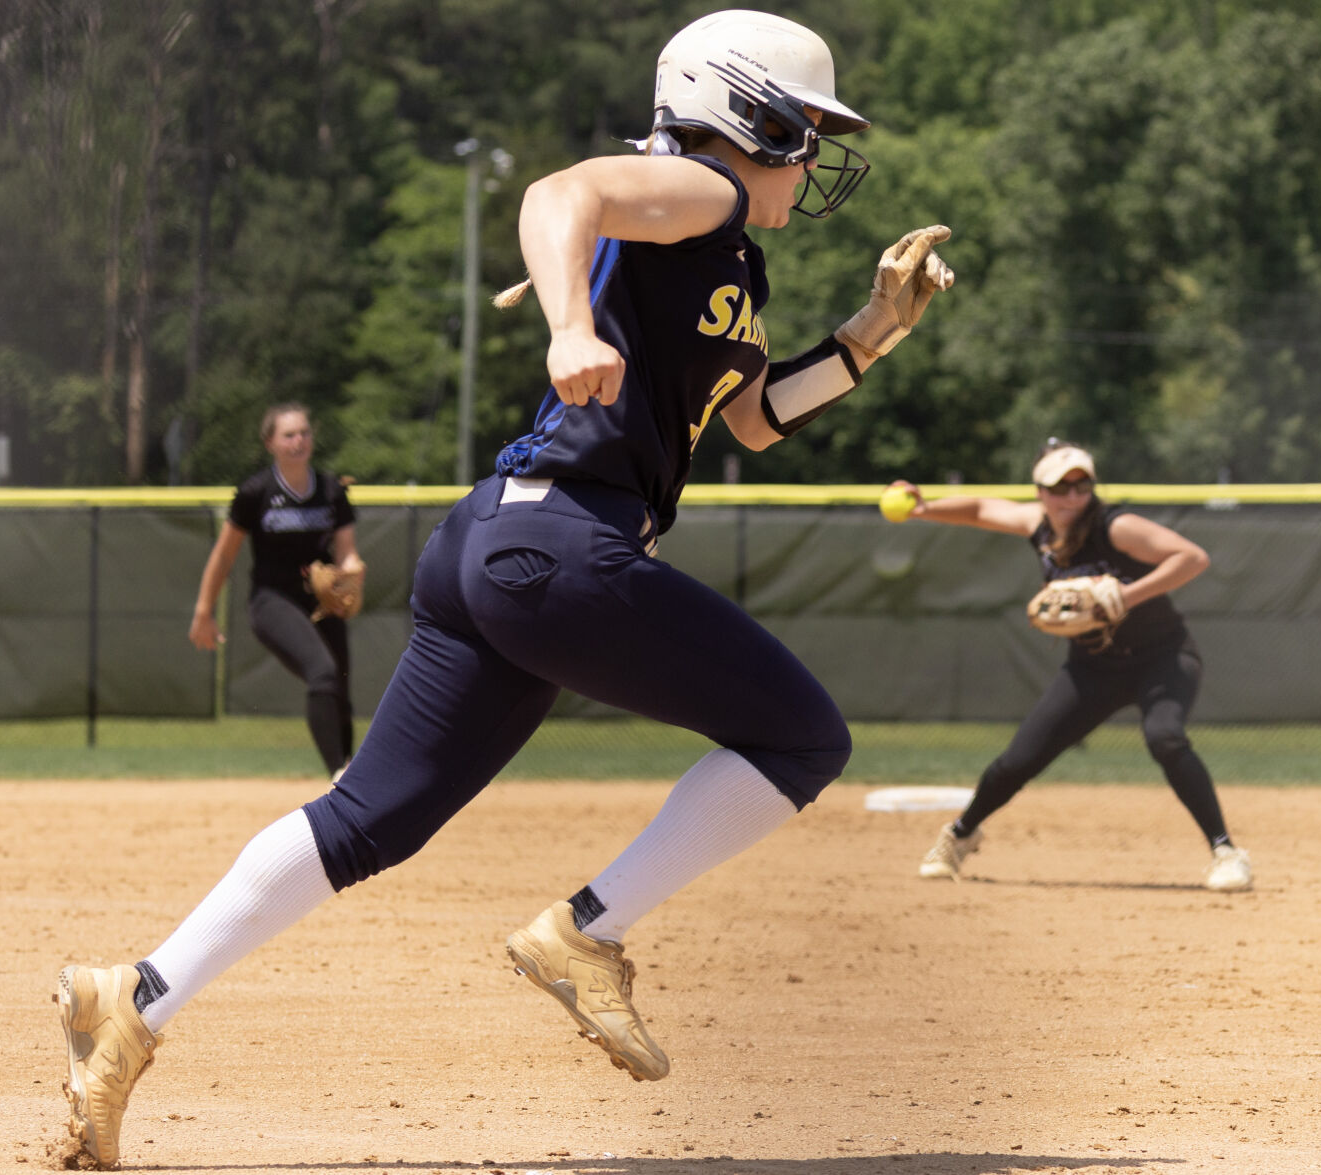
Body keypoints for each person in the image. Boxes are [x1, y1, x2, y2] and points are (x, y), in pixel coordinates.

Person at [54, 10, 954, 1168]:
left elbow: (753, 417)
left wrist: (874, 330)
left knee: (369, 819)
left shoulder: (722, 248)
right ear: (747, 120)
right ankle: (586, 930)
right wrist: (569, 325)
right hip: (558, 546)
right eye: (803, 132)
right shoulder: (702, 189)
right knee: (800, 737)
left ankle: (133, 998)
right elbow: (556, 192)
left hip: (497, 547)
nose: (812, 159)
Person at [891, 439, 1253, 892]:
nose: (1072, 496)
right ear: (1040, 491)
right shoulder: (1038, 526)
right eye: (1060, 487)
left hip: (1162, 657)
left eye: (1082, 485)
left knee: (1166, 737)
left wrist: (1126, 596)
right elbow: (981, 509)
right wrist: (924, 508)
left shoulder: (1115, 526)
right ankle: (959, 836)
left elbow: (1192, 558)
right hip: (1094, 667)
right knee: (1019, 760)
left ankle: (1226, 852)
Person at [188, 403, 361, 780]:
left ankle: (349, 780)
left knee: (339, 685)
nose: (298, 441)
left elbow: (347, 552)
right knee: (322, 670)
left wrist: (350, 572)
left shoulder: (331, 490)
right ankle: (339, 773)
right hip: (273, 601)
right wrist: (204, 610)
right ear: (270, 443)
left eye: (304, 433)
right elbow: (224, 555)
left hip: (321, 601)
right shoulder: (255, 493)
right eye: (288, 435)